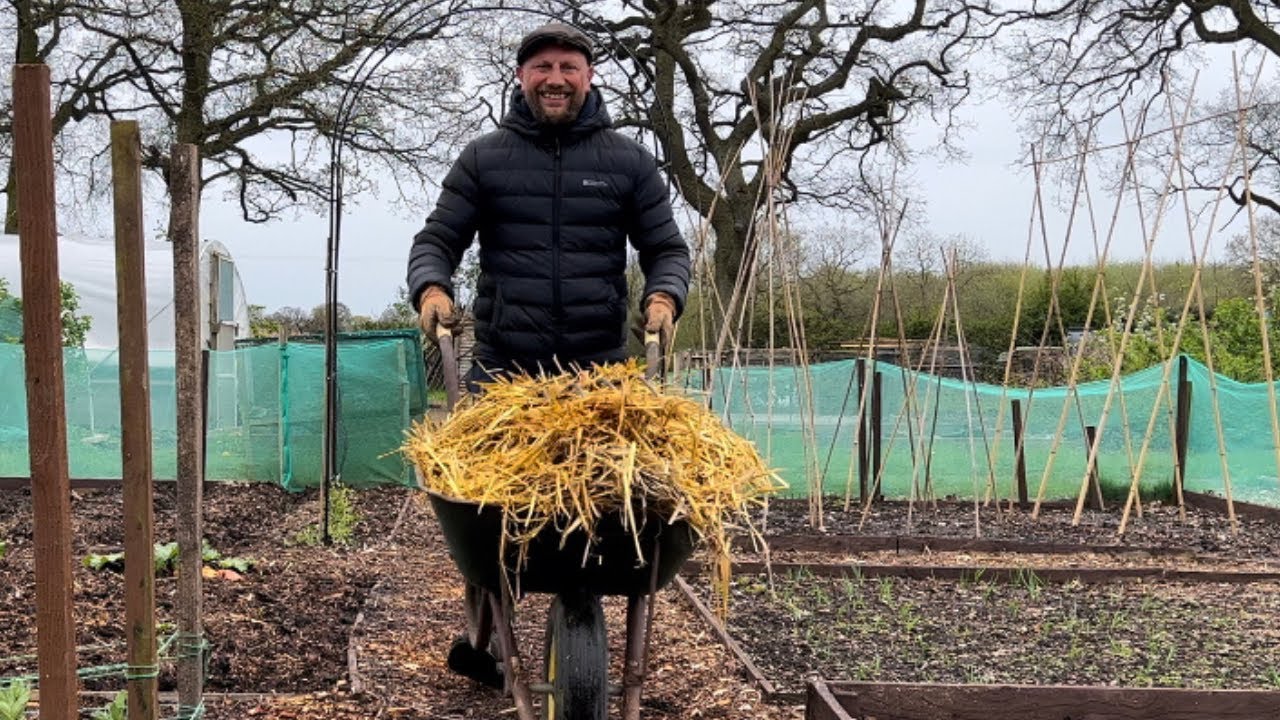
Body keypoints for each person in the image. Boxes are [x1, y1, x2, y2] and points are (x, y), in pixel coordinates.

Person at [404, 21, 691, 687]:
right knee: (492, 511)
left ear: (589, 78)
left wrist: (664, 298)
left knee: (610, 508)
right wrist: (432, 286)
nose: (555, 79)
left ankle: (539, 622)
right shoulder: (485, 158)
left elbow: (666, 249)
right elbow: (438, 236)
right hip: (506, 376)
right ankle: (485, 626)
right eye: (542, 68)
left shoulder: (628, 162)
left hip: (599, 380)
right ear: (520, 77)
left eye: (568, 67)